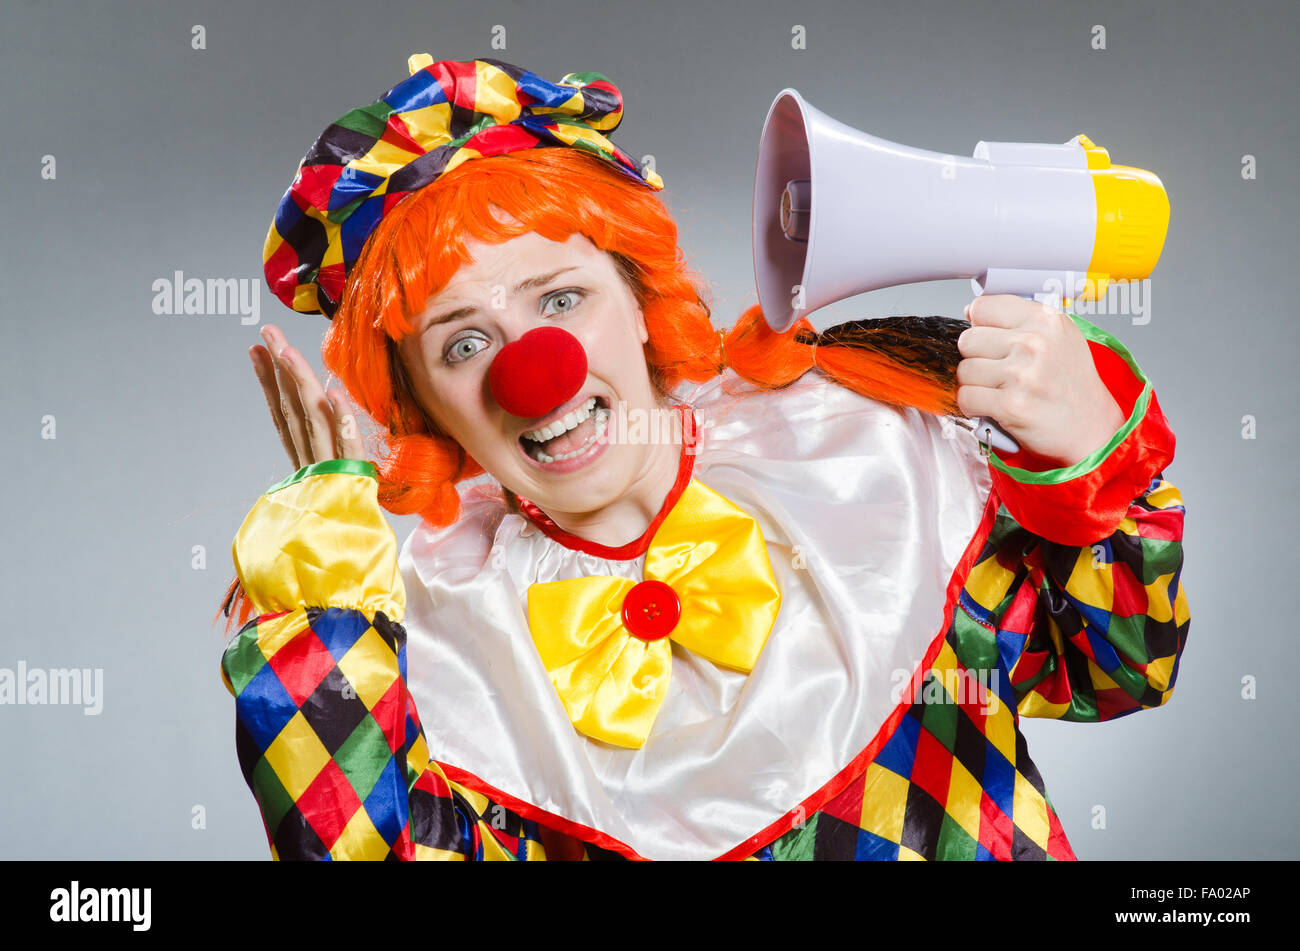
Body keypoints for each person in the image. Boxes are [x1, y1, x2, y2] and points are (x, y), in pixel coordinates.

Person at [217, 55, 1189, 860]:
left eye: (560, 300)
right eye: (462, 346)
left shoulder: (856, 442)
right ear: (422, 406)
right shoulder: (437, 630)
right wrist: (325, 613)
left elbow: (1120, 671)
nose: (534, 372)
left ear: (641, 302)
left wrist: (1087, 456)